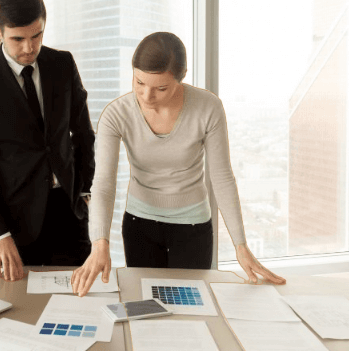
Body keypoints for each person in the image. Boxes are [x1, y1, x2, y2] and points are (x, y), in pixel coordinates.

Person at [71, 32, 285, 296]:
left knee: (191, 307)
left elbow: (222, 177)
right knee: (146, 306)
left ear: (181, 77)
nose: (147, 95)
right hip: (140, 224)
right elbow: (103, 184)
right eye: (139, 82)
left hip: (193, 227)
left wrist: (241, 245)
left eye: (161, 88)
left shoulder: (208, 107)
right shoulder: (116, 114)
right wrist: (99, 243)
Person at [0, 0, 95, 282]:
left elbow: (83, 133)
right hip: (14, 223)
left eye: (37, 36)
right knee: (19, 310)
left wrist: (83, 190)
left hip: (68, 214)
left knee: (79, 301)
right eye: (17, 39)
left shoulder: (63, 65)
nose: (29, 48)